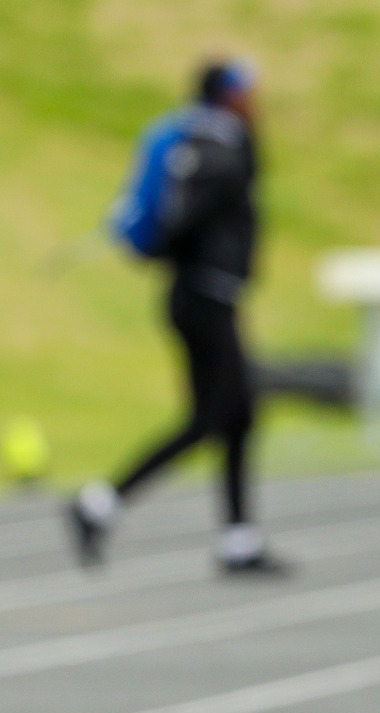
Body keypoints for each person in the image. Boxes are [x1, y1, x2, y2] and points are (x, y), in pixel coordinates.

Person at [68, 59, 285, 574]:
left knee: (239, 415)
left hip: (208, 296)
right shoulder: (219, 151)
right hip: (203, 298)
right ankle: (100, 502)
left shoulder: (201, 144)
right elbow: (182, 224)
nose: (255, 103)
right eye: (247, 93)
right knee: (212, 418)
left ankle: (238, 539)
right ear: (228, 97)